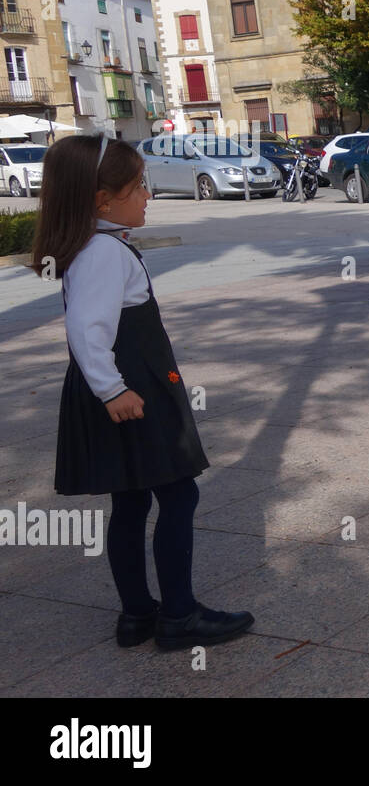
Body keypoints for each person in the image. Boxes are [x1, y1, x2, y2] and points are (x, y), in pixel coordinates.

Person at [30, 134, 253, 650]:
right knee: (179, 494)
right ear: (101, 200)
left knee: (130, 501)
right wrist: (113, 391)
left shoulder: (94, 246)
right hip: (133, 390)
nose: (147, 195)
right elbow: (89, 330)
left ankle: (136, 614)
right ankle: (178, 616)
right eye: (138, 186)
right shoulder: (104, 253)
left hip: (119, 386)